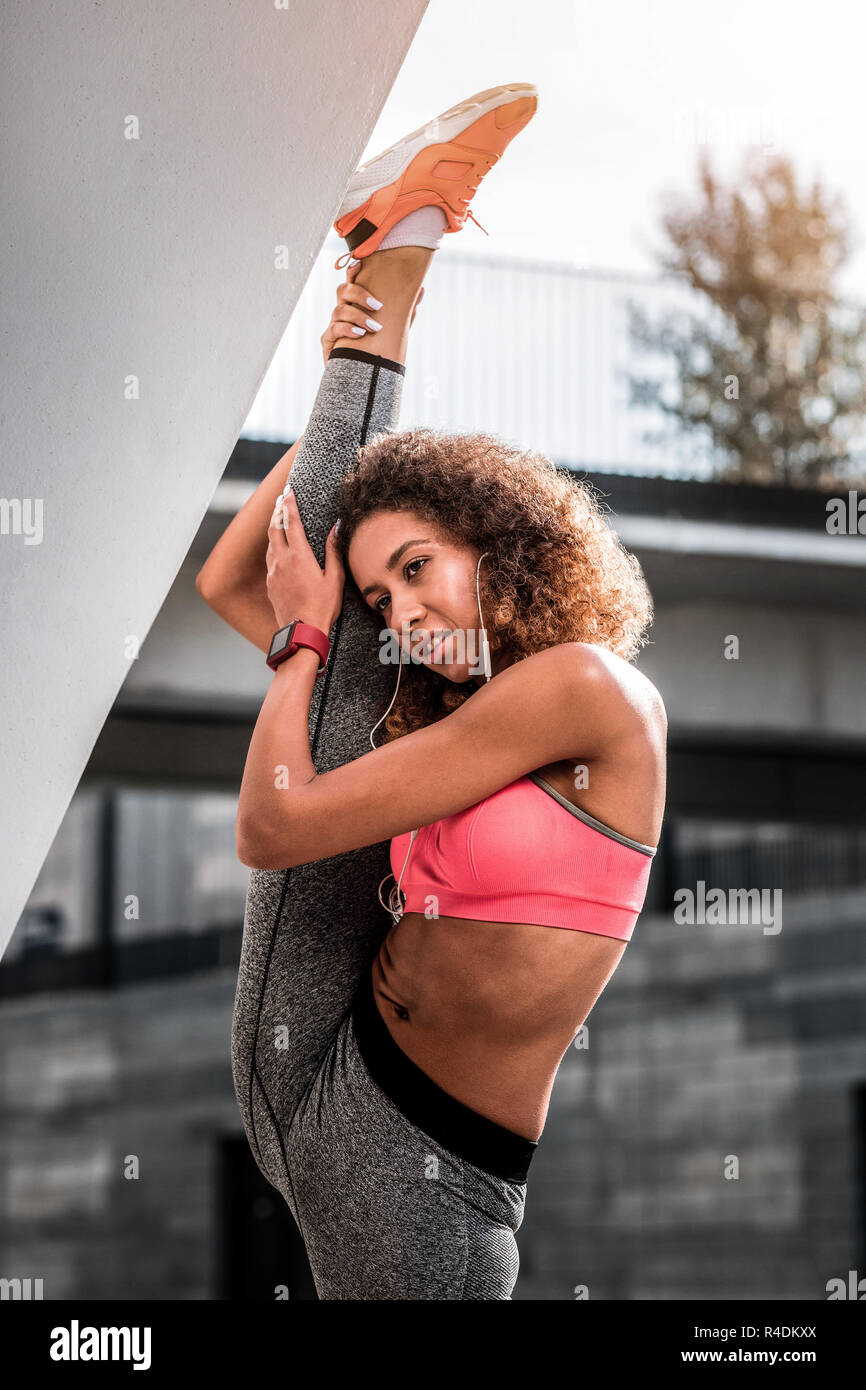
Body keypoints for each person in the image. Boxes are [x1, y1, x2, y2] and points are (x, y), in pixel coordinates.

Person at [196, 83, 667, 1299]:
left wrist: (311, 638)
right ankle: (388, 265)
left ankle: (390, 263)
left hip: (417, 1160)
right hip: (329, 1049)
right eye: (383, 592)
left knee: (324, 658)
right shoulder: (440, 707)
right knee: (333, 648)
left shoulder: (587, 693)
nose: (400, 614)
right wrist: (335, 419)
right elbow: (230, 579)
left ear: (500, 546)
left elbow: (273, 825)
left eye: (416, 572)